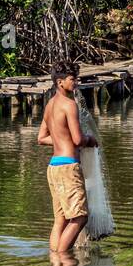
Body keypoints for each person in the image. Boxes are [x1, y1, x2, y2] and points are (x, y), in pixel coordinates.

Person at [38, 62, 98, 255]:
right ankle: (62, 260)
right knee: (80, 218)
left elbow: (41, 138)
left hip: (53, 167)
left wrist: (60, 141)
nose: (76, 83)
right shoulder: (69, 105)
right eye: (72, 79)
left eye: (76, 78)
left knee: (61, 219)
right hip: (68, 168)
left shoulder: (49, 106)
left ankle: (54, 261)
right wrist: (91, 140)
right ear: (60, 81)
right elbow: (78, 139)